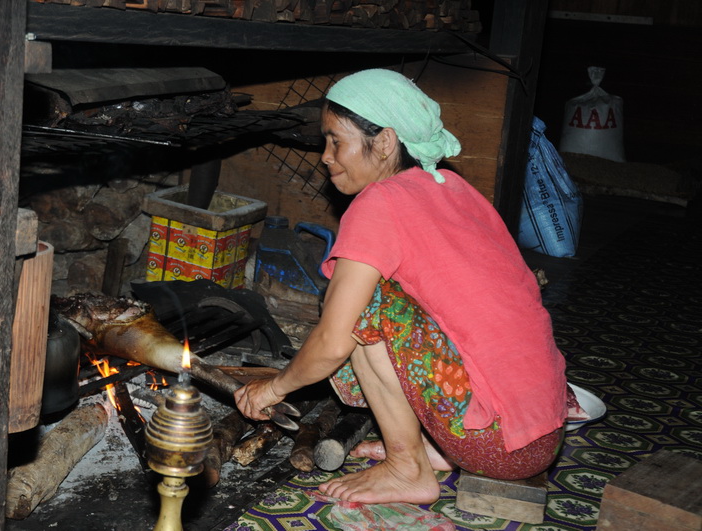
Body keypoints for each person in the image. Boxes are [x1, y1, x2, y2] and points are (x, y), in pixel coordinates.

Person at [235, 68, 567, 505]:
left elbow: (335, 341)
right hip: (541, 433)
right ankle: (440, 447)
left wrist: (274, 388)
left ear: (386, 142)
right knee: (372, 295)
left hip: (499, 446)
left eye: (336, 140)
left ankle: (407, 468)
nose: (325, 156)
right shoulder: (453, 187)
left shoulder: (381, 202)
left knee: (364, 305)